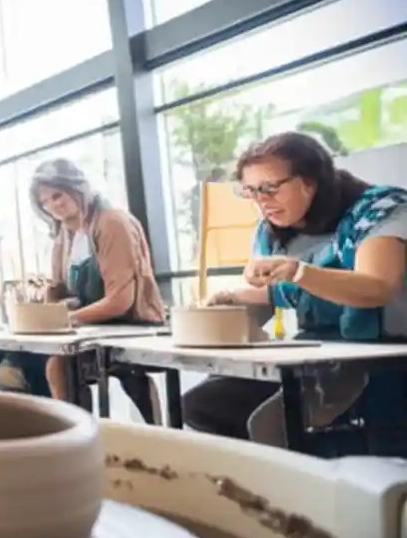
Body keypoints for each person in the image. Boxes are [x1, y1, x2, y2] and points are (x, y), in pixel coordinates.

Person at [183, 132, 407, 451]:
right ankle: (254, 491)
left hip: (384, 361)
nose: (262, 200)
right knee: (203, 404)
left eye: (270, 188)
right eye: (250, 191)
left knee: (274, 425)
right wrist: (230, 296)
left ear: (310, 181)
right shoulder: (274, 230)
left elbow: (377, 287)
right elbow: (287, 301)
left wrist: (298, 272)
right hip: (316, 359)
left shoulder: (378, 209)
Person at [22, 159, 165, 403]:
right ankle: (67, 432)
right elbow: (59, 290)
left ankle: (82, 433)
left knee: (58, 366)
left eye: (57, 196)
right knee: (19, 362)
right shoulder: (63, 235)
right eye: (44, 202)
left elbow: (121, 300)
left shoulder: (112, 222)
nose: (52, 206)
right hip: (90, 328)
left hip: (132, 325)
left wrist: (66, 319)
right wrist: (41, 308)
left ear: (78, 188)